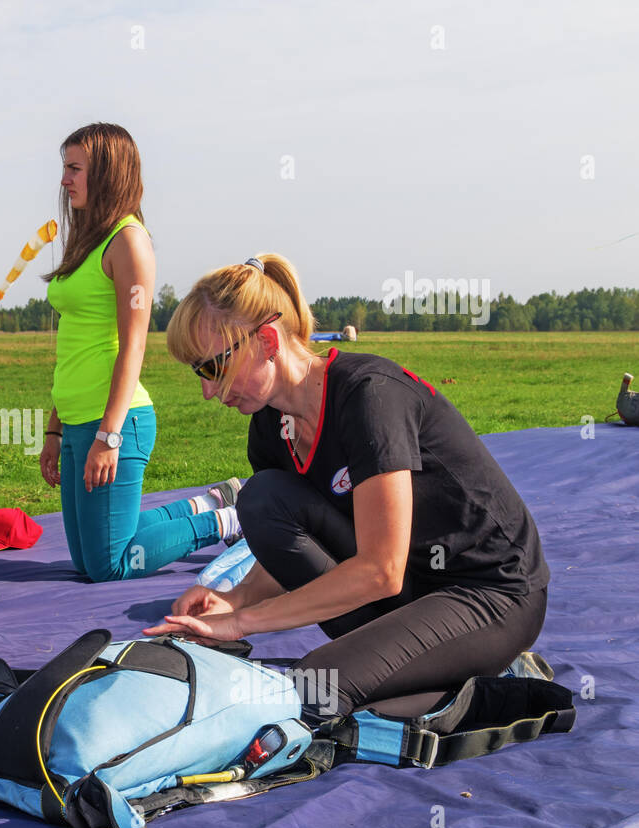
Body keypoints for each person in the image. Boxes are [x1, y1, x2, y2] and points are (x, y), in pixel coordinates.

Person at [145, 254, 551, 719]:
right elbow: (300, 544)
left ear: (268, 341)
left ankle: (494, 685)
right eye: (199, 372)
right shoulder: (268, 427)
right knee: (261, 499)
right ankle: (425, 664)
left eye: (213, 367)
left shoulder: (369, 397)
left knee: (315, 689)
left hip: (490, 594)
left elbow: (381, 570)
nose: (208, 391)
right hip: (412, 591)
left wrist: (241, 623)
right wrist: (234, 598)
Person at [37, 122, 243, 582]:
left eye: (74, 169)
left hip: (115, 420)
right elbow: (74, 344)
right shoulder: (86, 240)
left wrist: (107, 437)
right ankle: (208, 502)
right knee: (90, 558)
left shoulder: (129, 242)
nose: (65, 180)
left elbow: (134, 345)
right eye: (64, 168)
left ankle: (228, 521)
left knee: (108, 565)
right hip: (76, 419)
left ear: (107, 173)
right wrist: (55, 431)